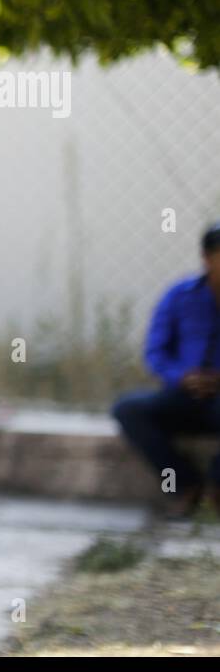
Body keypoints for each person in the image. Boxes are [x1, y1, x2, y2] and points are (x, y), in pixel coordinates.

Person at [113, 222, 220, 517]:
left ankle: (217, 486)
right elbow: (155, 353)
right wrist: (183, 377)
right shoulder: (179, 296)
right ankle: (184, 485)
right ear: (207, 258)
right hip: (184, 396)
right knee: (128, 409)